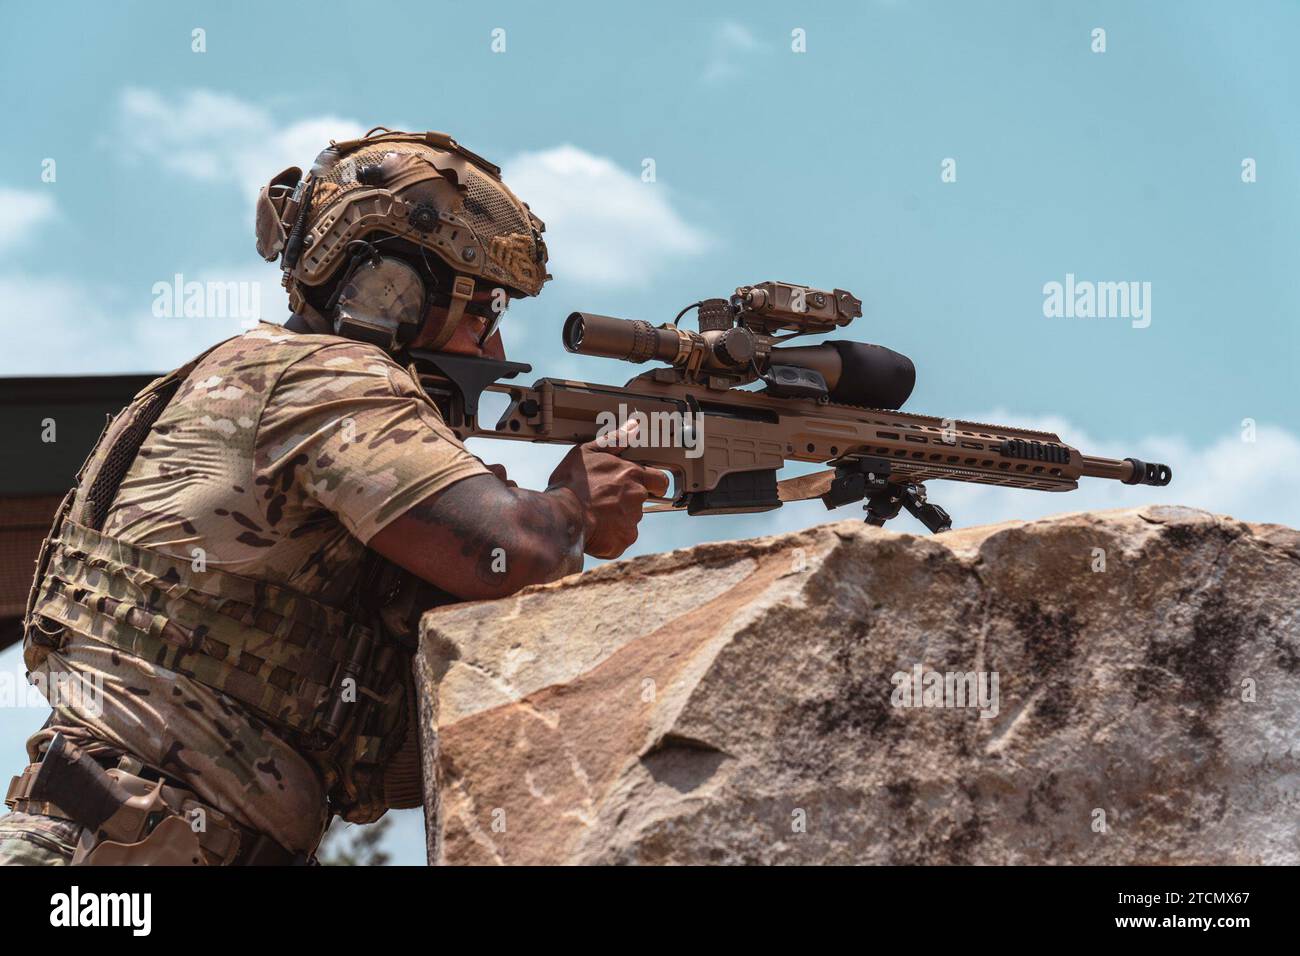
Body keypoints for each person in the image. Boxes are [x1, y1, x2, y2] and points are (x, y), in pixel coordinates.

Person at [0, 128, 666, 865]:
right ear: (396, 290)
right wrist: (574, 507)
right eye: (487, 309)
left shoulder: (242, 378)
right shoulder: (328, 375)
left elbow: (399, 759)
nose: (497, 352)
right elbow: (516, 552)